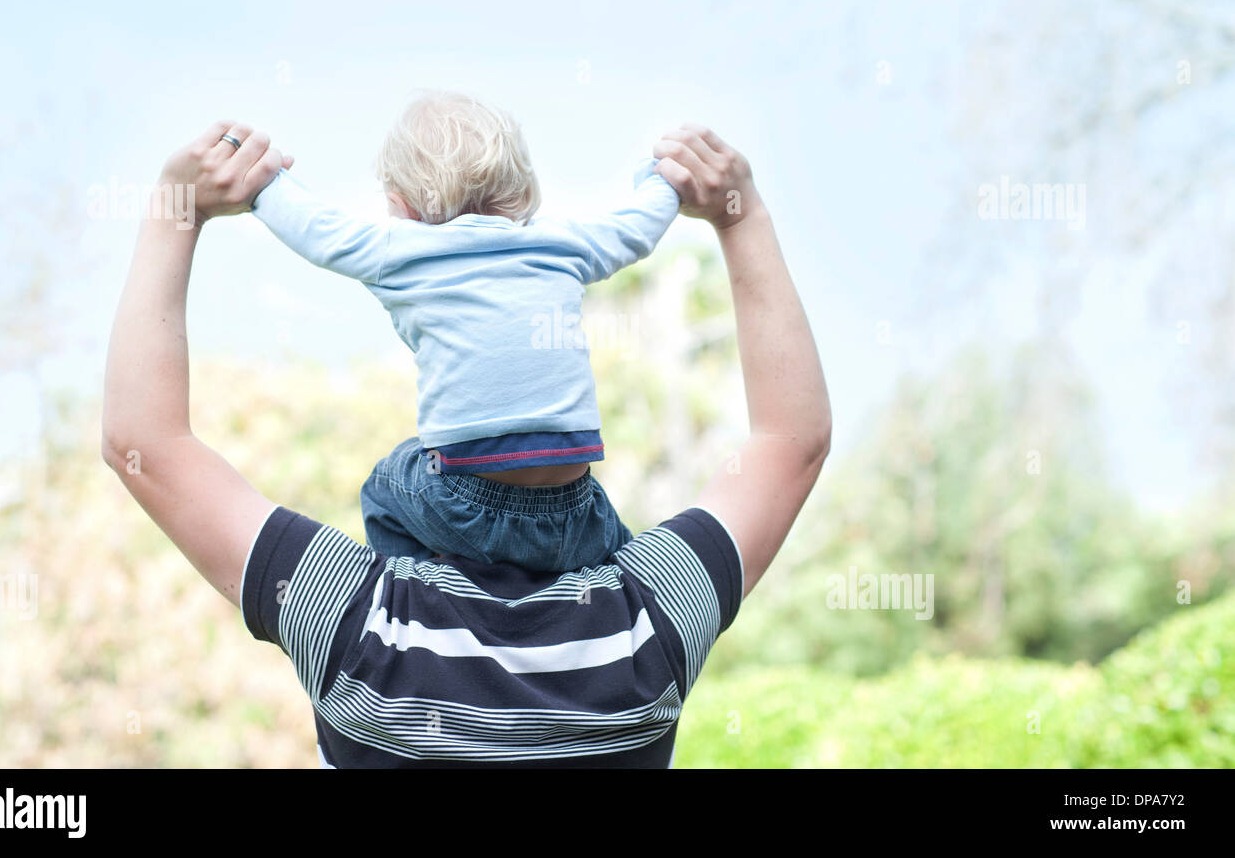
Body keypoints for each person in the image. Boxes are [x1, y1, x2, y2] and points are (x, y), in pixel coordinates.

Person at [102, 120, 831, 767]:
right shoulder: (645, 632)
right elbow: (790, 443)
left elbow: (145, 443)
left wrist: (178, 206)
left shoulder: (360, 633)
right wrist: (742, 217)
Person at [249, 90, 681, 571]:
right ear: (522, 190)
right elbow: (636, 228)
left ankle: (426, 592)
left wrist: (265, 183)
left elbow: (315, 229)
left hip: (464, 504)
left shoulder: (401, 250)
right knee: (623, 561)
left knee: (383, 489)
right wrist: (661, 179)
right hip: (578, 511)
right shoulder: (562, 244)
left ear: (401, 204)